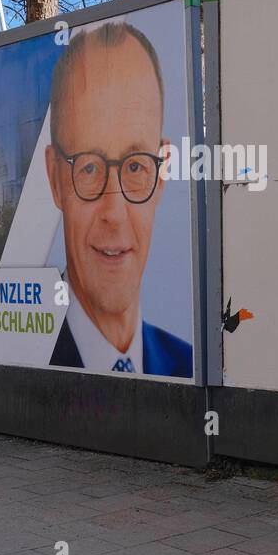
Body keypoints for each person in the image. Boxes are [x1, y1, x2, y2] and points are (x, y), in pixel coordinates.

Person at [44, 21, 193, 378]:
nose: (114, 213)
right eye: (89, 168)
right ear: (55, 179)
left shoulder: (187, 365)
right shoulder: (27, 356)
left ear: (162, 174)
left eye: (136, 166)